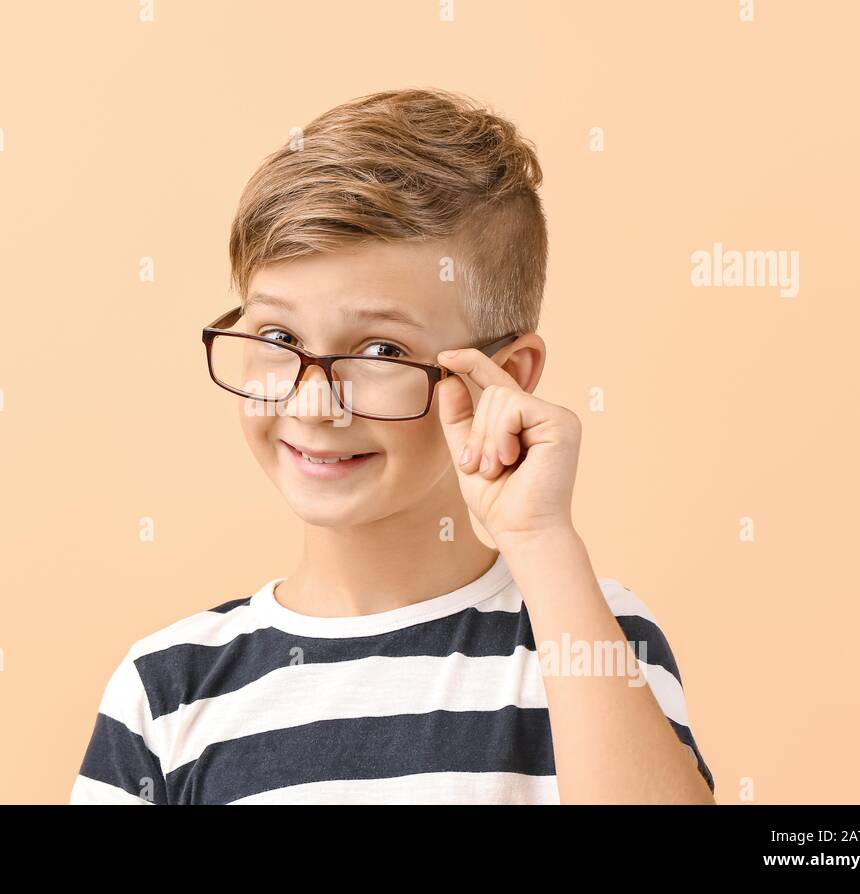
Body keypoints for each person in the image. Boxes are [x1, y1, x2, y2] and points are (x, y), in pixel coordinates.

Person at [70, 88, 716, 805]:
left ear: (504, 377)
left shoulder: (590, 640)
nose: (313, 404)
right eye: (280, 339)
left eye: (380, 348)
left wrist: (540, 538)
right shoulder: (168, 692)